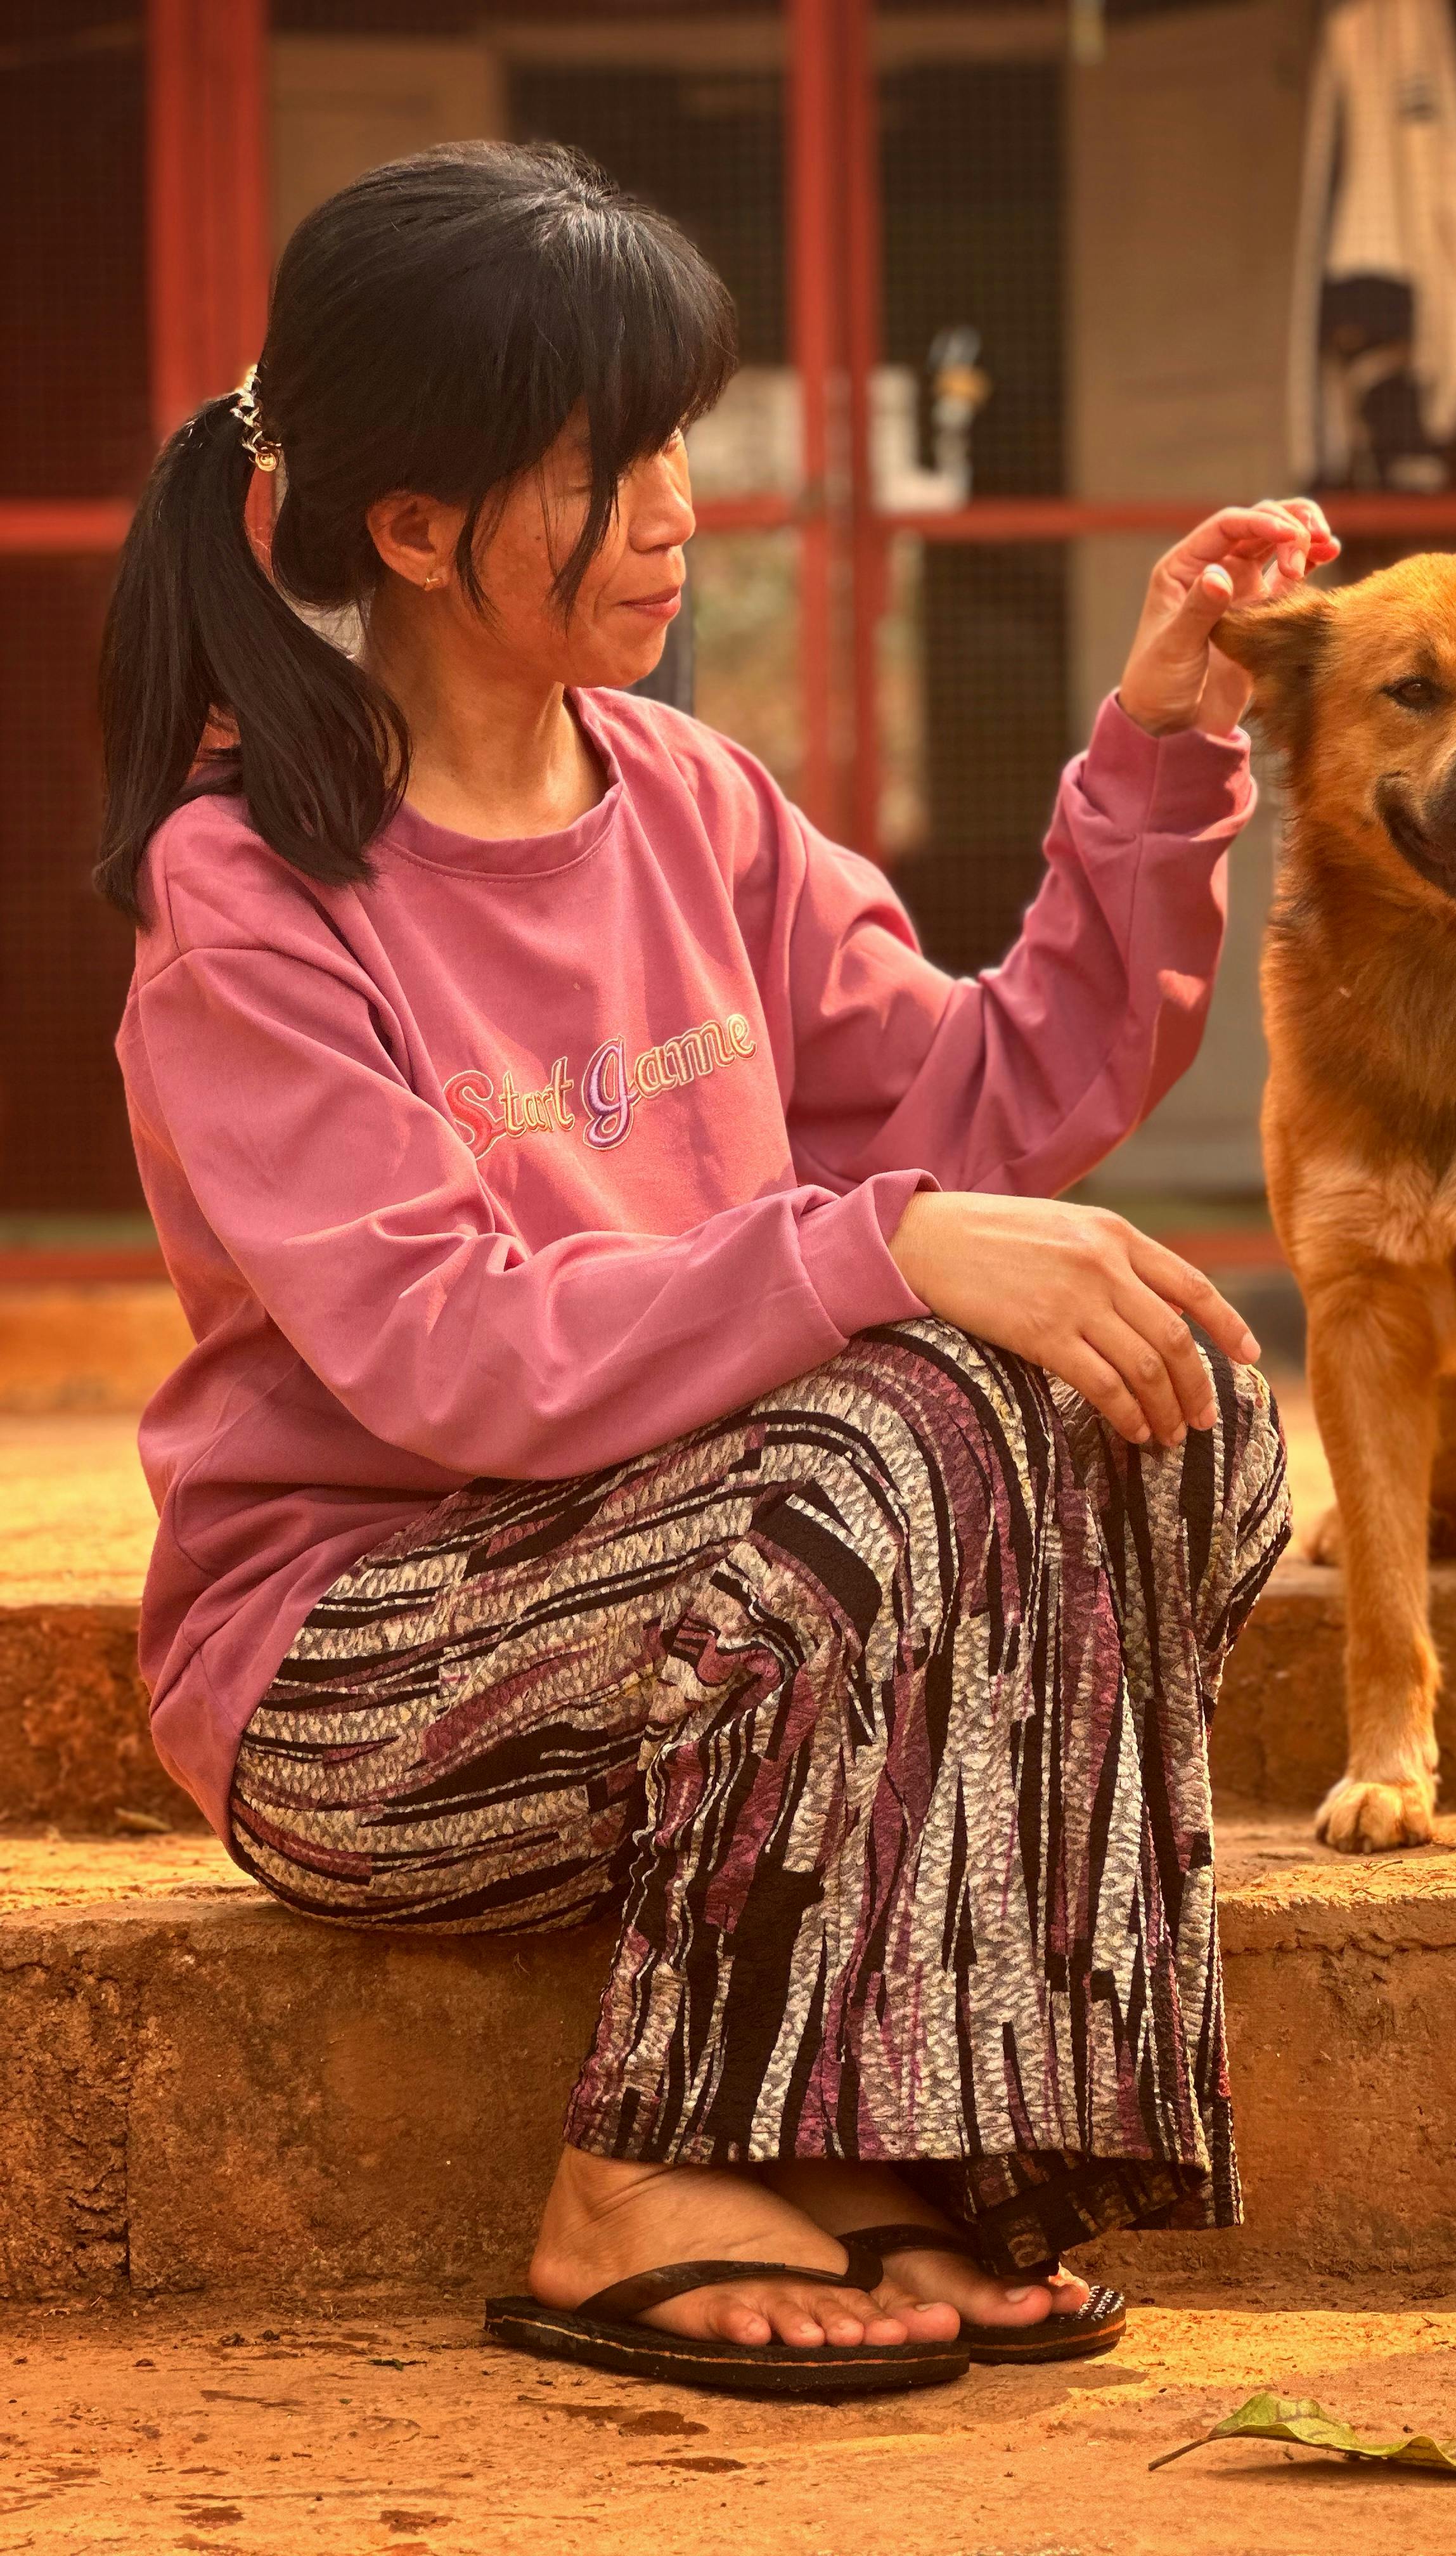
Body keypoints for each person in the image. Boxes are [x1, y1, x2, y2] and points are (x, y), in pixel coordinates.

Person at [98, 141, 1334, 2399]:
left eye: (682, 440)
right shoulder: (251, 895)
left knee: (1177, 1399)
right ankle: (635, 2172)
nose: (683, 504)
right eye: (612, 459)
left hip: (721, 1617)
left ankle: (902, 2132)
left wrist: (1169, 737)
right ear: (413, 524)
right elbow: (449, 1357)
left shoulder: (691, 798)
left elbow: (990, 1094)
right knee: (902, 1423)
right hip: (372, 1680)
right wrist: (888, 1249)